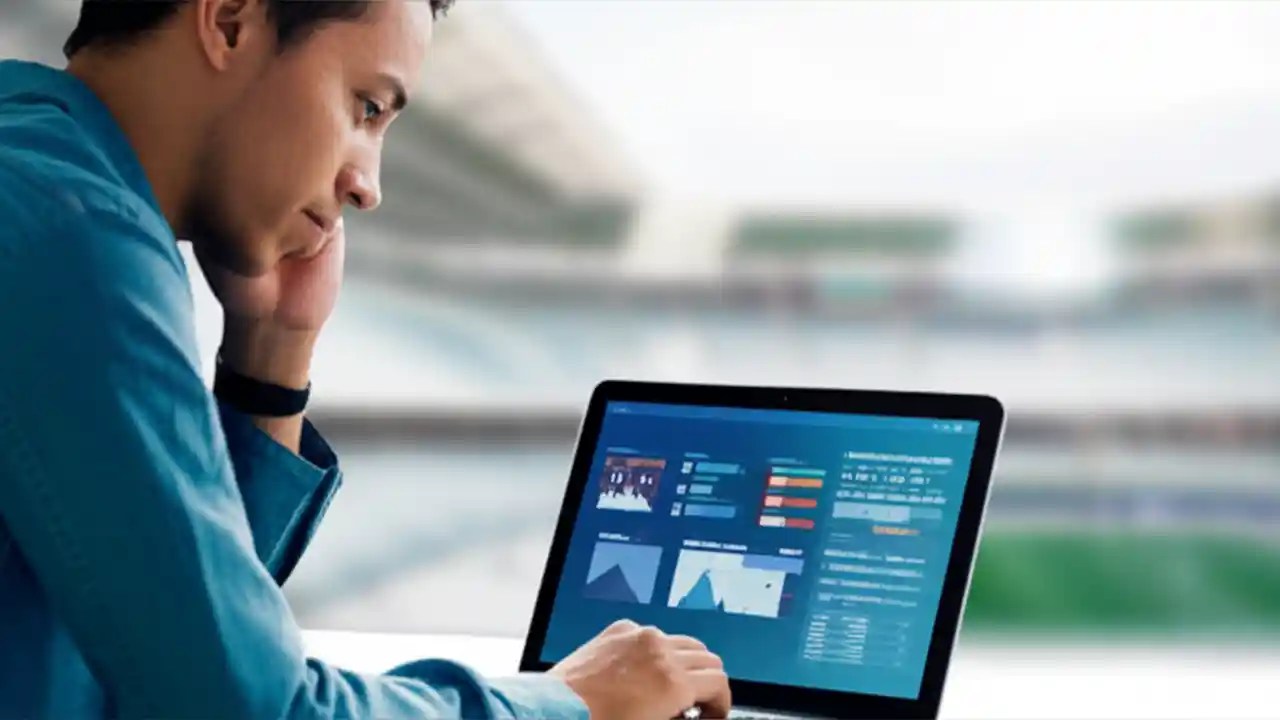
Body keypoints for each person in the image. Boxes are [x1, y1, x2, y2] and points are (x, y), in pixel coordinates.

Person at [0, 1, 733, 718]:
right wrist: (569, 703)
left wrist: (276, 350)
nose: (368, 185)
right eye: (368, 108)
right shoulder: (71, 230)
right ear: (228, 22)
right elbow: (253, 705)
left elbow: (183, 648)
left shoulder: (37, 168)